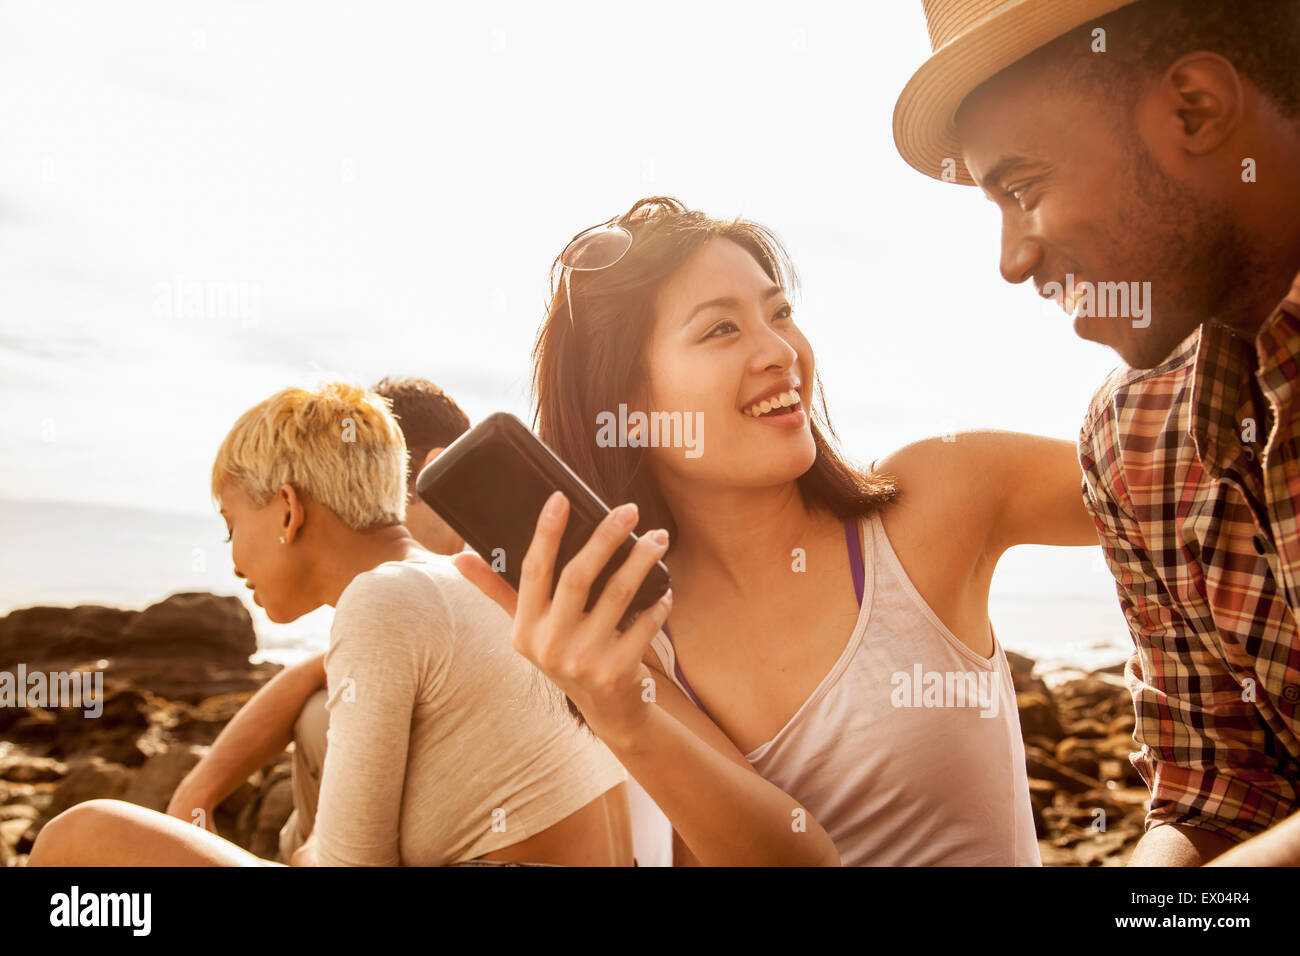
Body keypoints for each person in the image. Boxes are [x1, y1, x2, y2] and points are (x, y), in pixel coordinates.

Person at [454, 196, 1102, 865]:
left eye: (780, 312)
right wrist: (620, 714)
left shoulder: (941, 493)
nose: (780, 350)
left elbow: (1174, 479)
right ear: (628, 405)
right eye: (720, 331)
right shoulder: (639, 643)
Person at [892, 0, 1300, 865]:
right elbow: (1214, 791)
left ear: (1195, 109)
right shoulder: (1130, 438)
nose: (1010, 261)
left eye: (1023, 188)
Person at [28, 382, 631, 866]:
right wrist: (197, 798)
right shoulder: (454, 580)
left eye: (232, 525)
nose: (233, 561)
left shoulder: (383, 600)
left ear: (288, 511)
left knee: (81, 836)